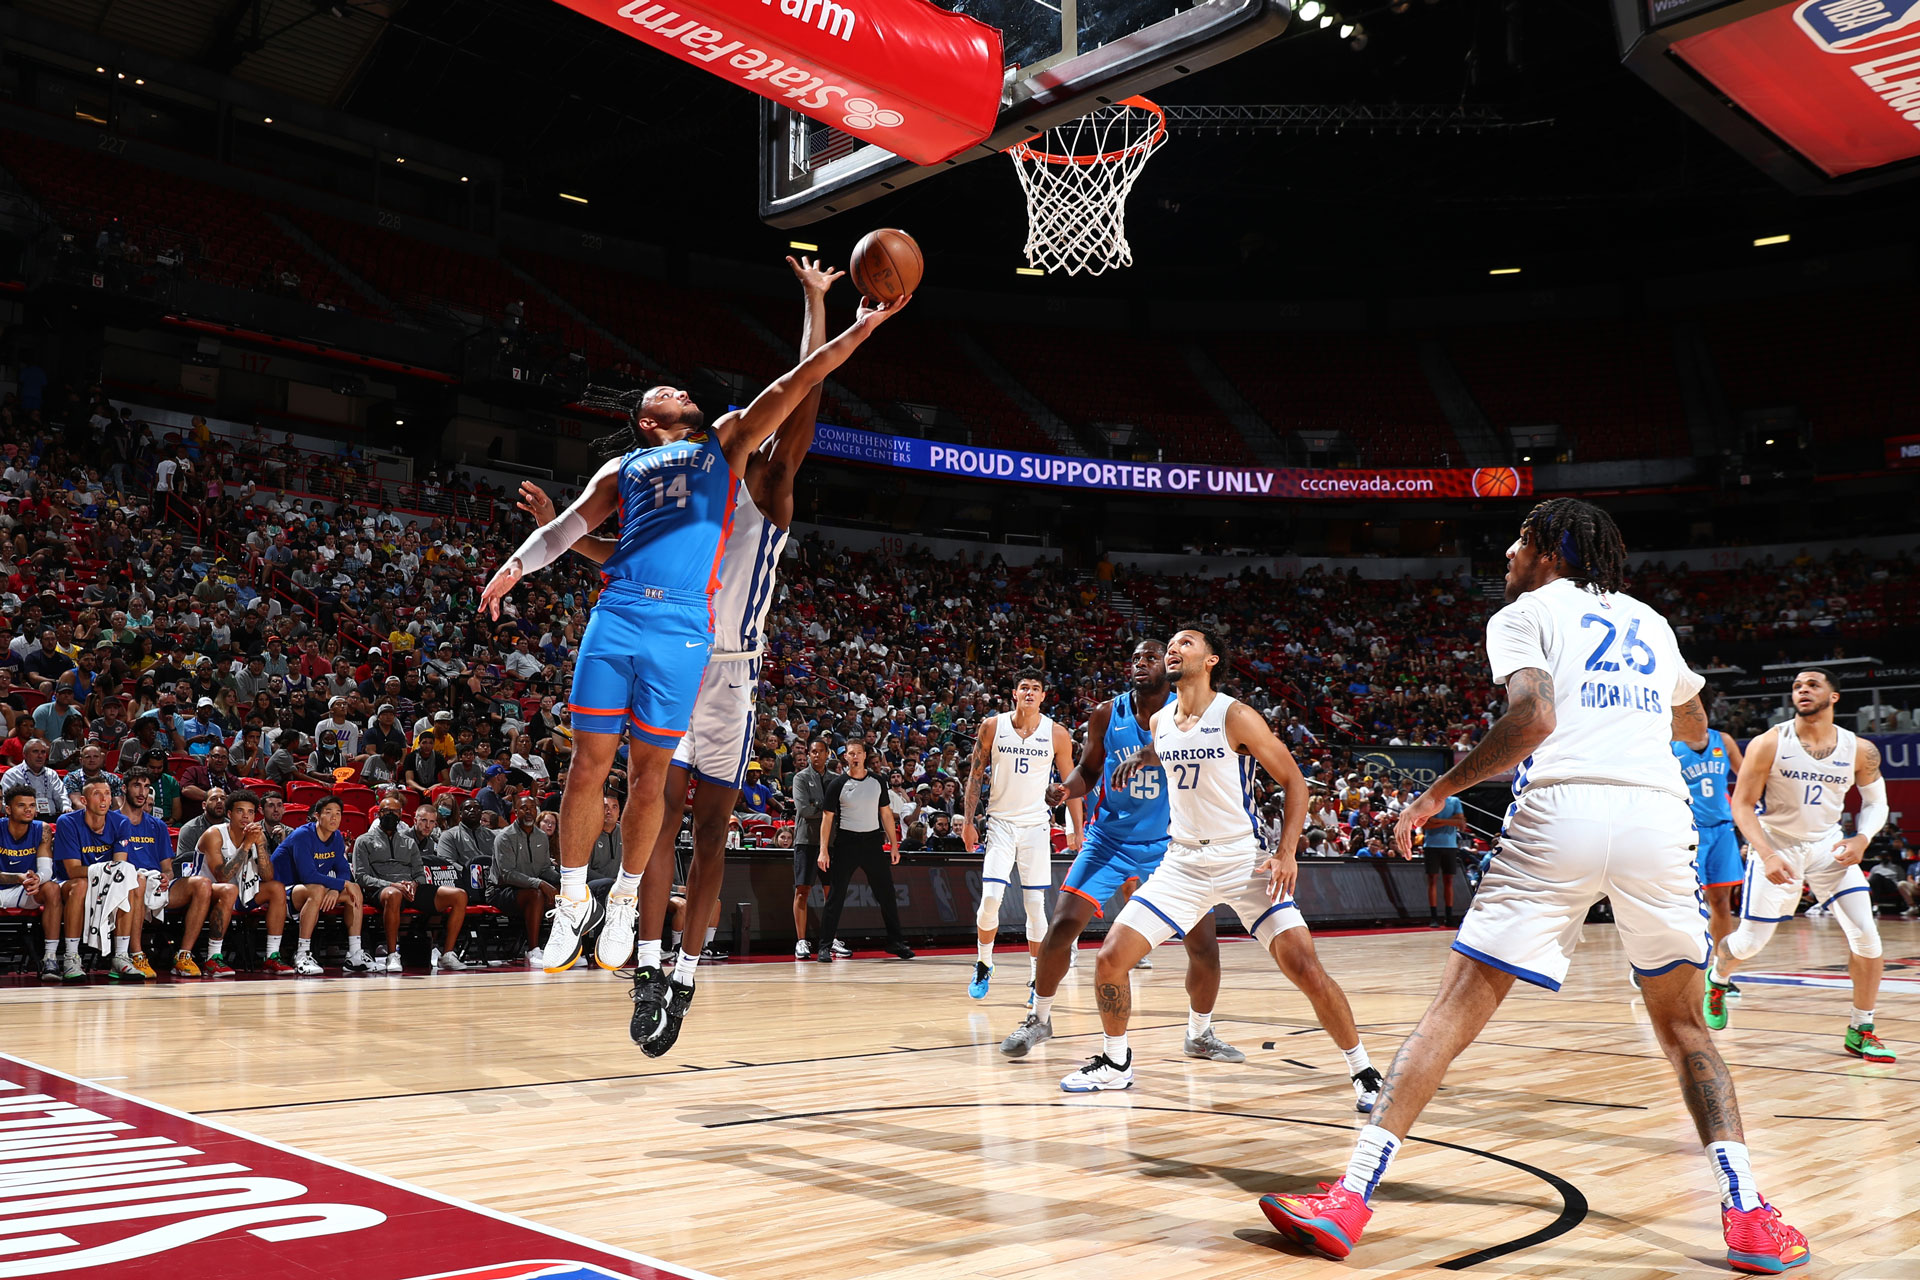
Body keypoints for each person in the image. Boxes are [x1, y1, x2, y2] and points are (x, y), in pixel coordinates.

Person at [1260, 499, 1808, 1275]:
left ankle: (1349, 1199)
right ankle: (1748, 1216)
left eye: (1519, 540)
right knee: (1687, 1029)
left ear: (1550, 549)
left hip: (1563, 810)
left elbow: (1533, 719)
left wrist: (1435, 791)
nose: (1507, 554)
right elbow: (1691, 723)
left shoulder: (1524, 613)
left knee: (1451, 1012)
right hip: (1657, 822)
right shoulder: (1649, 619)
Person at [477, 283, 908, 1010]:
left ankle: (677, 963)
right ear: (649, 422)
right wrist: (549, 540)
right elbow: (612, 548)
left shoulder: (760, 475)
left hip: (722, 659)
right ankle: (635, 948)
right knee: (632, 788)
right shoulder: (650, 474)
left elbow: (801, 389)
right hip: (654, 628)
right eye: (666, 393)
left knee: (702, 824)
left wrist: (828, 311)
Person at [1062, 628, 1377, 1110]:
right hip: (1183, 863)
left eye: (1185, 643)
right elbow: (1169, 749)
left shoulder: (1236, 715)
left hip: (1241, 861)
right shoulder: (1162, 720)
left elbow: (1295, 782)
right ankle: (1116, 1063)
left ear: (1210, 661)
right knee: (1109, 960)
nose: (1173, 649)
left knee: (1304, 967)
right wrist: (1140, 759)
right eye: (1170, 644)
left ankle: (1364, 1071)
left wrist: (1287, 852)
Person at [1002, 640, 1243, 1065]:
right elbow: (1089, 770)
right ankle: (1038, 1018)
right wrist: (1066, 789)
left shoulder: (1187, 714)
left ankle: (1200, 1033)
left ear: (1166, 666)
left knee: (1204, 946)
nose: (1140, 665)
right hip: (1109, 840)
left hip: (1171, 847)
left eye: (1150, 658)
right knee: (1061, 927)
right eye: (1135, 659)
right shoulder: (1106, 713)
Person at [1709, 668, 1891, 1064]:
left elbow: (1877, 803)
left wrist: (1862, 838)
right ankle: (1719, 976)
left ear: (1834, 697)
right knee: (1750, 944)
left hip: (1829, 847)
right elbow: (1741, 804)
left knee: (1867, 937)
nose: (1803, 690)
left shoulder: (1860, 749)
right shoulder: (1769, 742)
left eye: (1812, 685)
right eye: (1796, 686)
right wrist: (1766, 853)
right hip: (1777, 845)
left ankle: (1862, 1028)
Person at [961, 668, 1082, 1002]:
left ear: (1043, 696)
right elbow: (975, 776)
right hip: (999, 822)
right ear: (1014, 693)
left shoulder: (1056, 734)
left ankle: (1035, 977)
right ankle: (984, 963)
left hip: (1035, 827)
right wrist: (969, 821)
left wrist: (1076, 829)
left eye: (1036, 688)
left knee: (1034, 906)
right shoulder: (992, 726)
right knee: (989, 900)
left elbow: (1071, 784)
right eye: (1024, 687)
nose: (1030, 692)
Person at [812, 739, 914, 968]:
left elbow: (886, 814)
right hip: (847, 842)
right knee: (836, 896)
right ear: (845, 757)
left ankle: (896, 942)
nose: (855, 756)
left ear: (865, 755)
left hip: (872, 843)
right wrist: (823, 851)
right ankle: (825, 946)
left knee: (886, 894)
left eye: (859, 752)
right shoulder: (838, 784)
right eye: (851, 753)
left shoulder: (878, 780)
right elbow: (827, 819)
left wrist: (895, 845)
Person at [353, 793, 468, 972]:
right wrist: (391, 885)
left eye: (396, 812)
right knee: (394, 894)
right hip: (382, 889)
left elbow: (420, 874)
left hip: (410, 889)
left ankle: (447, 954)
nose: (391, 815)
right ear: (378, 814)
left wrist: (414, 884)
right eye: (386, 811)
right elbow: (361, 877)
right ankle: (392, 954)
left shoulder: (408, 842)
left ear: (401, 815)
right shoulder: (363, 841)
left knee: (459, 895)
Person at [117, 766, 214, 977]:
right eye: (137, 786)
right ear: (124, 788)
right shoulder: (111, 821)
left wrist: (165, 877)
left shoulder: (157, 826)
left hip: (156, 884)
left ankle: (183, 956)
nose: (142, 792)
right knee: (139, 880)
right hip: (126, 887)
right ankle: (136, 954)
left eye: (146, 787)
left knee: (203, 884)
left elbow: (168, 869)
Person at [1672, 713, 1746, 987]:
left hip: (1722, 829)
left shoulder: (1722, 740)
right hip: (1687, 829)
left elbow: (1748, 776)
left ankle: (1719, 973)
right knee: (1684, 904)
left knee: (1721, 903)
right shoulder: (1667, 742)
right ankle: (1663, 968)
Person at [272, 794, 372, 976]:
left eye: (338, 813)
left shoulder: (336, 838)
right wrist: (342, 884)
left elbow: (343, 870)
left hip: (309, 890)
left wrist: (336, 889)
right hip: (280, 892)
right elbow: (307, 875)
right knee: (319, 889)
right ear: (317, 816)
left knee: (353, 891)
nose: (334, 817)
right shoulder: (302, 835)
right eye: (328, 812)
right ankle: (302, 954)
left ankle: (355, 953)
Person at [195, 789, 289, 974]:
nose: (246, 816)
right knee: (228, 889)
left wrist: (259, 846)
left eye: (251, 812)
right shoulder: (214, 834)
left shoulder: (257, 834)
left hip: (240, 891)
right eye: (240, 811)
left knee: (277, 889)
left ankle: (272, 956)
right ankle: (213, 958)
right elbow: (222, 876)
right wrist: (246, 845)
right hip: (207, 892)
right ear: (229, 814)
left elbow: (268, 876)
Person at [54, 778, 139, 981]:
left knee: (133, 881)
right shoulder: (67, 822)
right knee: (82, 885)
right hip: (68, 884)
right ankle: (71, 957)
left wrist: (106, 873)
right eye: (97, 794)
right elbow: (73, 871)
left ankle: (120, 955)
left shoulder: (121, 822)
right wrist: (105, 871)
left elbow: (120, 867)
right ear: (83, 800)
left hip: (104, 882)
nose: (104, 799)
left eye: (108, 793)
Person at [0, 784, 64, 982]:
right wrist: (18, 877)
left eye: (32, 805)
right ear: (8, 809)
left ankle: (50, 958)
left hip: (22, 889)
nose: (29, 809)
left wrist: (38, 879)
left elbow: (45, 867)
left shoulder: (42, 829)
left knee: (52, 888)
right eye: (21, 805)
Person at [490, 793, 558, 967]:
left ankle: (561, 947)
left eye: (532, 808)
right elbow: (507, 874)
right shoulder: (504, 837)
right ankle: (533, 950)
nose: (529, 812)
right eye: (523, 808)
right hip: (501, 890)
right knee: (536, 894)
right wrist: (541, 884)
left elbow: (544, 869)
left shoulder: (541, 837)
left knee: (566, 891)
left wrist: (563, 881)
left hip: (530, 888)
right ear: (515, 811)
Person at [790, 738, 833, 957]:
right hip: (806, 842)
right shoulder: (800, 778)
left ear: (828, 754)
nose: (816, 755)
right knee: (802, 891)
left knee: (831, 893)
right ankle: (801, 941)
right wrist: (828, 810)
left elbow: (842, 809)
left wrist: (819, 806)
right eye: (812, 752)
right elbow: (805, 811)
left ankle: (830, 938)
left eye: (820, 751)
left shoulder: (836, 779)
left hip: (832, 843)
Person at [1413, 788, 1466, 926]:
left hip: (1450, 845)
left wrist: (1438, 821)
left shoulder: (1455, 800)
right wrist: (1450, 821)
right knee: (1432, 881)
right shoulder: (1429, 802)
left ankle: (1449, 916)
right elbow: (1426, 825)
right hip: (1431, 845)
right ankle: (1434, 917)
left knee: (1448, 880)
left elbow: (1460, 822)